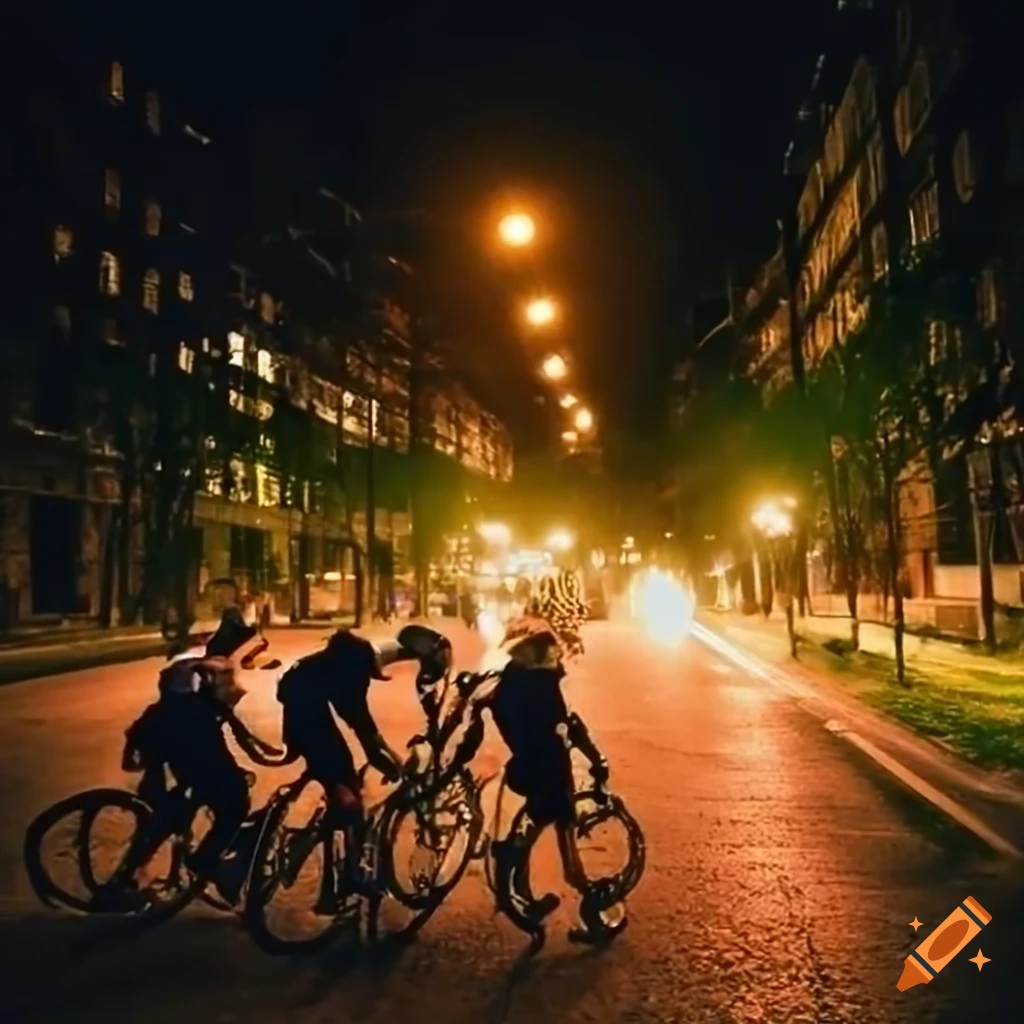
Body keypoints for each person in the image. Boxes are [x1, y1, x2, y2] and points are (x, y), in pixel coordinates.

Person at [444, 621, 615, 941]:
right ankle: (593, 916)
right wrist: (597, 761)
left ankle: (517, 875)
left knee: (531, 826)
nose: (555, 656)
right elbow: (570, 727)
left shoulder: (503, 683)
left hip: (523, 770)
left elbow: (472, 716)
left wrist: (453, 758)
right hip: (552, 774)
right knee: (566, 847)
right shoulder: (543, 686)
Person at [114, 609, 283, 905]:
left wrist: (257, 748)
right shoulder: (204, 668)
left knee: (182, 803)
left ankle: (131, 874)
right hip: (185, 739)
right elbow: (208, 721)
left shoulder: (195, 665)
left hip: (171, 738)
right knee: (232, 801)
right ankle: (200, 862)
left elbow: (222, 718)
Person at [275, 629, 406, 905]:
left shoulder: (318, 665)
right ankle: (336, 868)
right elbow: (360, 721)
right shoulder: (351, 671)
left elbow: (352, 717)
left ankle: (338, 871)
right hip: (314, 732)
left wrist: (379, 750)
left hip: (299, 727)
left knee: (344, 781)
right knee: (350, 803)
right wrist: (386, 759)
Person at [534, 568, 588, 657]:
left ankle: (570, 646)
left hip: (559, 614)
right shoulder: (557, 584)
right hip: (559, 615)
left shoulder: (557, 586)